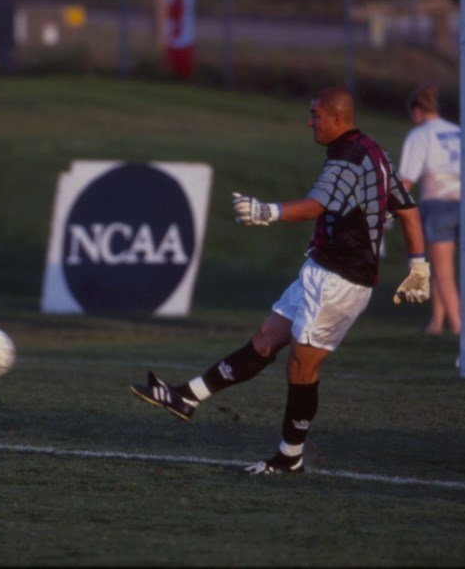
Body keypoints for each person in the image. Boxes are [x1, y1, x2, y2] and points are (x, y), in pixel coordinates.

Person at [130, 87, 430, 475]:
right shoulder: (376, 153)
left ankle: (289, 456)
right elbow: (408, 211)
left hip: (340, 281)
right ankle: (185, 397)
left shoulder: (346, 159)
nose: (309, 122)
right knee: (265, 339)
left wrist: (266, 211)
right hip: (321, 271)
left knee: (301, 369)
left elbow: (315, 206)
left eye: (315, 115)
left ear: (337, 119)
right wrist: (419, 266)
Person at [398, 84, 461, 335]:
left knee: (443, 271)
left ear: (417, 111)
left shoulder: (420, 135)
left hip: (438, 204)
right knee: (441, 265)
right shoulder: (458, 131)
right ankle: (437, 322)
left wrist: (387, 209)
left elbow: (406, 180)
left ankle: (459, 328)